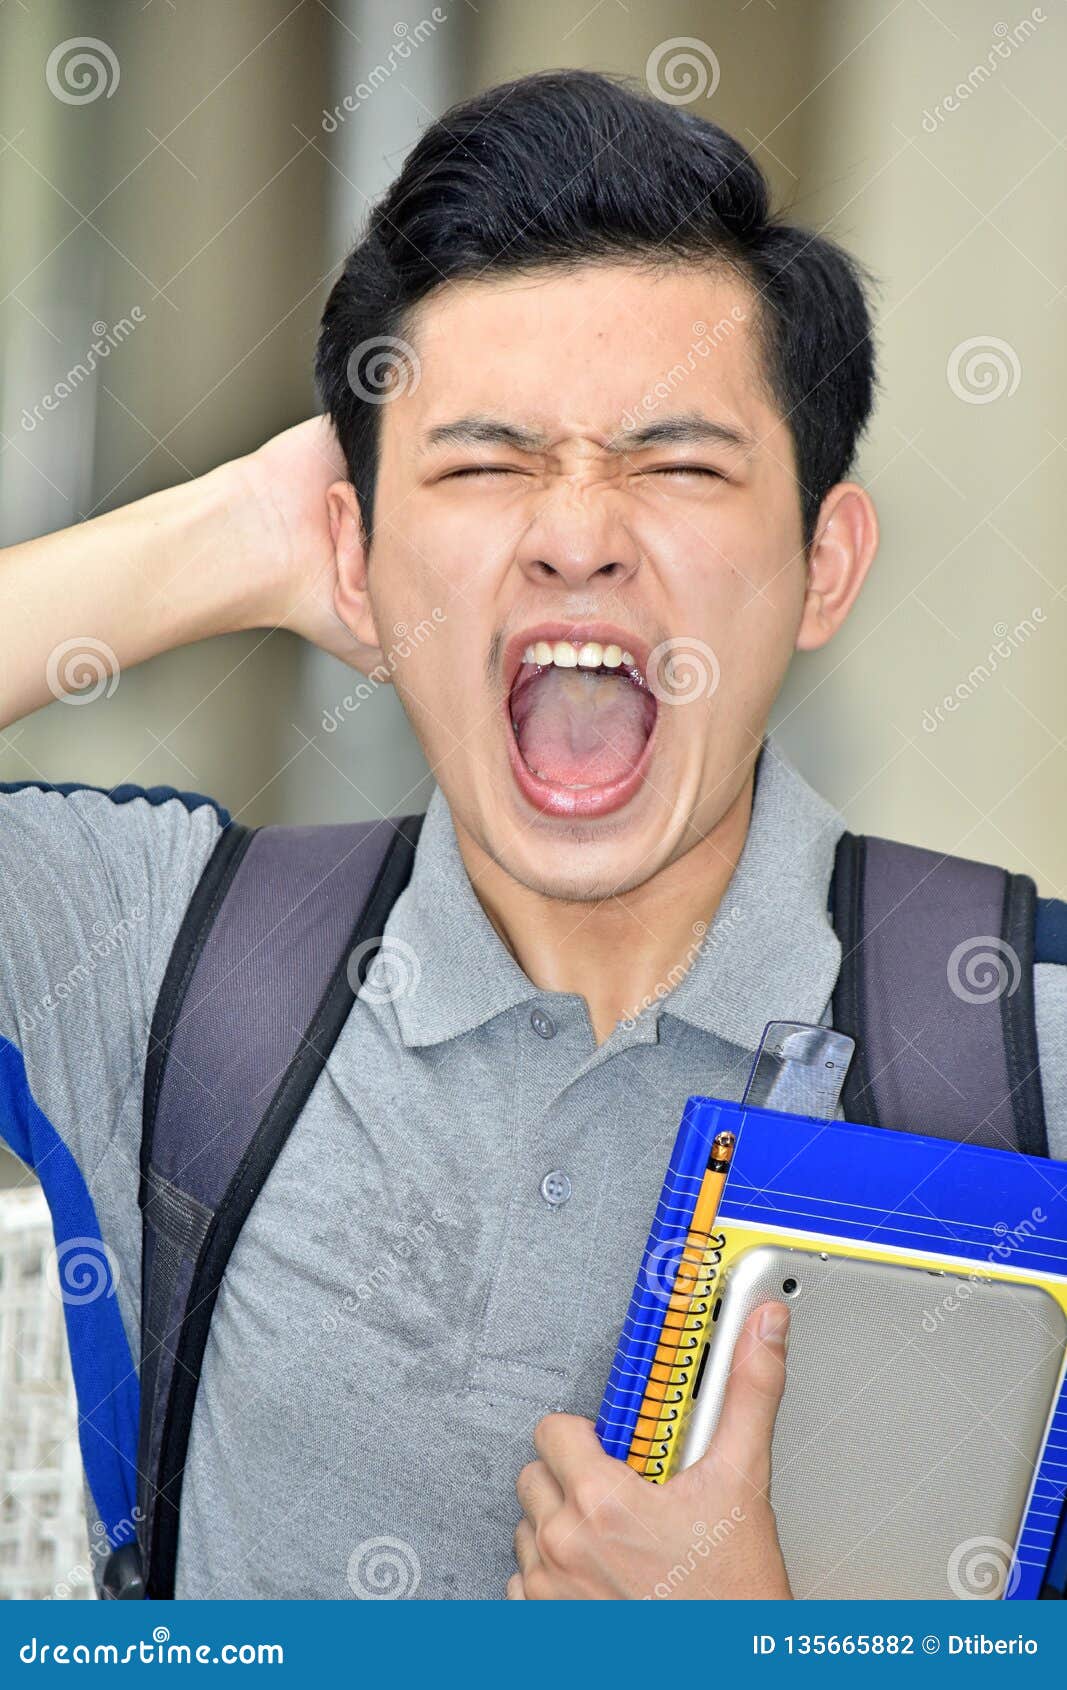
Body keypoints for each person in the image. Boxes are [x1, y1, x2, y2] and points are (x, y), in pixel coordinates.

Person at [1, 70, 1063, 1603]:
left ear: (826, 564)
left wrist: (773, 1652)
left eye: (677, 462)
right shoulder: (170, 955)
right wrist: (219, 534)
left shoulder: (1028, 1044)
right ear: (354, 564)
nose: (576, 531)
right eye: (485, 462)